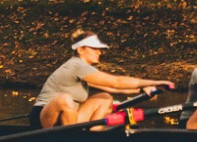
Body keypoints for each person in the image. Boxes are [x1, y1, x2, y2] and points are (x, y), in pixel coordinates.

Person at [32, 33, 173, 129]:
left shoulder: (84, 70)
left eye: (99, 49)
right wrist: (151, 82)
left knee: (104, 98)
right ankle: (73, 138)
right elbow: (115, 82)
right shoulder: (76, 65)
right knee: (65, 99)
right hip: (43, 117)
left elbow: (113, 88)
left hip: (69, 119)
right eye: (94, 49)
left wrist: (143, 89)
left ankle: (95, 135)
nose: (99, 52)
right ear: (81, 50)